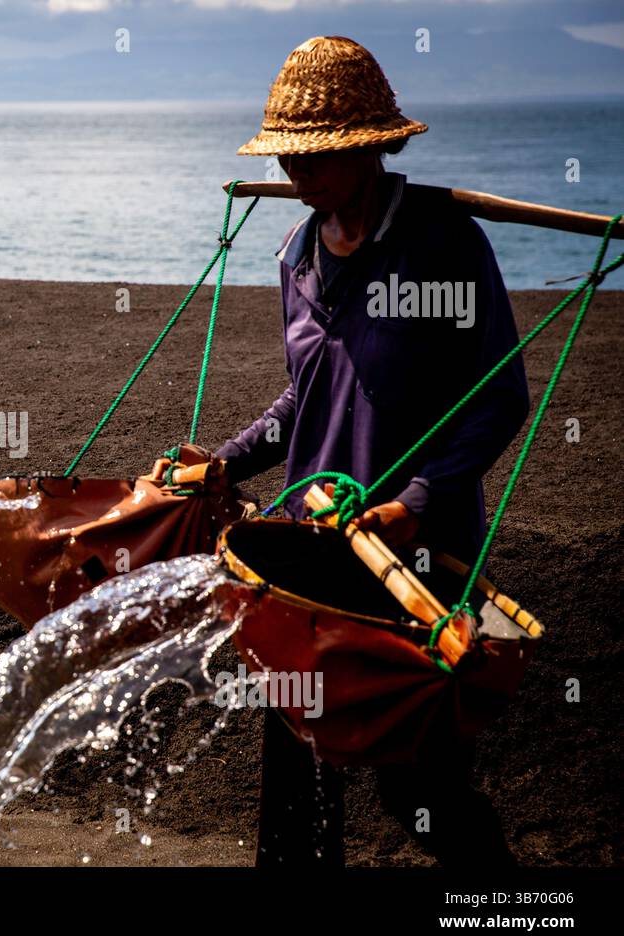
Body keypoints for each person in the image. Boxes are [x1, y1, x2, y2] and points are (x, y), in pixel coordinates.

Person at [172, 36, 531, 866]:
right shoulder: (297, 253)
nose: (300, 173)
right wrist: (225, 462)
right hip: (311, 552)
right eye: (291, 155)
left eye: (320, 153)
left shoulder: (442, 246)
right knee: (295, 777)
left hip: (417, 558)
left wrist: (416, 501)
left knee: (423, 787)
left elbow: (500, 395)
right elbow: (308, 395)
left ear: (373, 144)